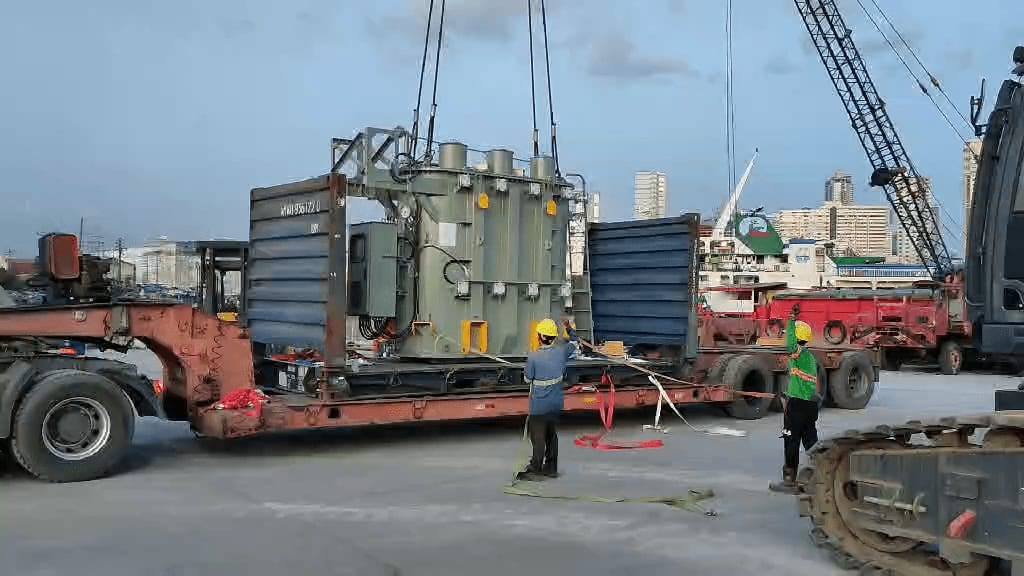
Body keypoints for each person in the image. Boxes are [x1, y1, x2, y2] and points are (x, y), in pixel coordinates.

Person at [517, 317, 578, 481]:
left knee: (537, 436)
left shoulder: (534, 357)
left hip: (540, 405)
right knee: (551, 434)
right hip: (556, 403)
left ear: (542, 337)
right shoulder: (561, 352)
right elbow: (575, 343)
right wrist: (569, 328)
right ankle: (551, 468)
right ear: (553, 337)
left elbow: (527, 380)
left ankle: (535, 469)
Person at [769, 312, 821, 494]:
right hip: (809, 404)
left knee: (791, 441)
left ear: (797, 337)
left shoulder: (798, 353)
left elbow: (791, 346)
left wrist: (790, 323)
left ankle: (790, 480)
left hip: (798, 405)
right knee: (811, 441)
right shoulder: (809, 358)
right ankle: (823, 475)